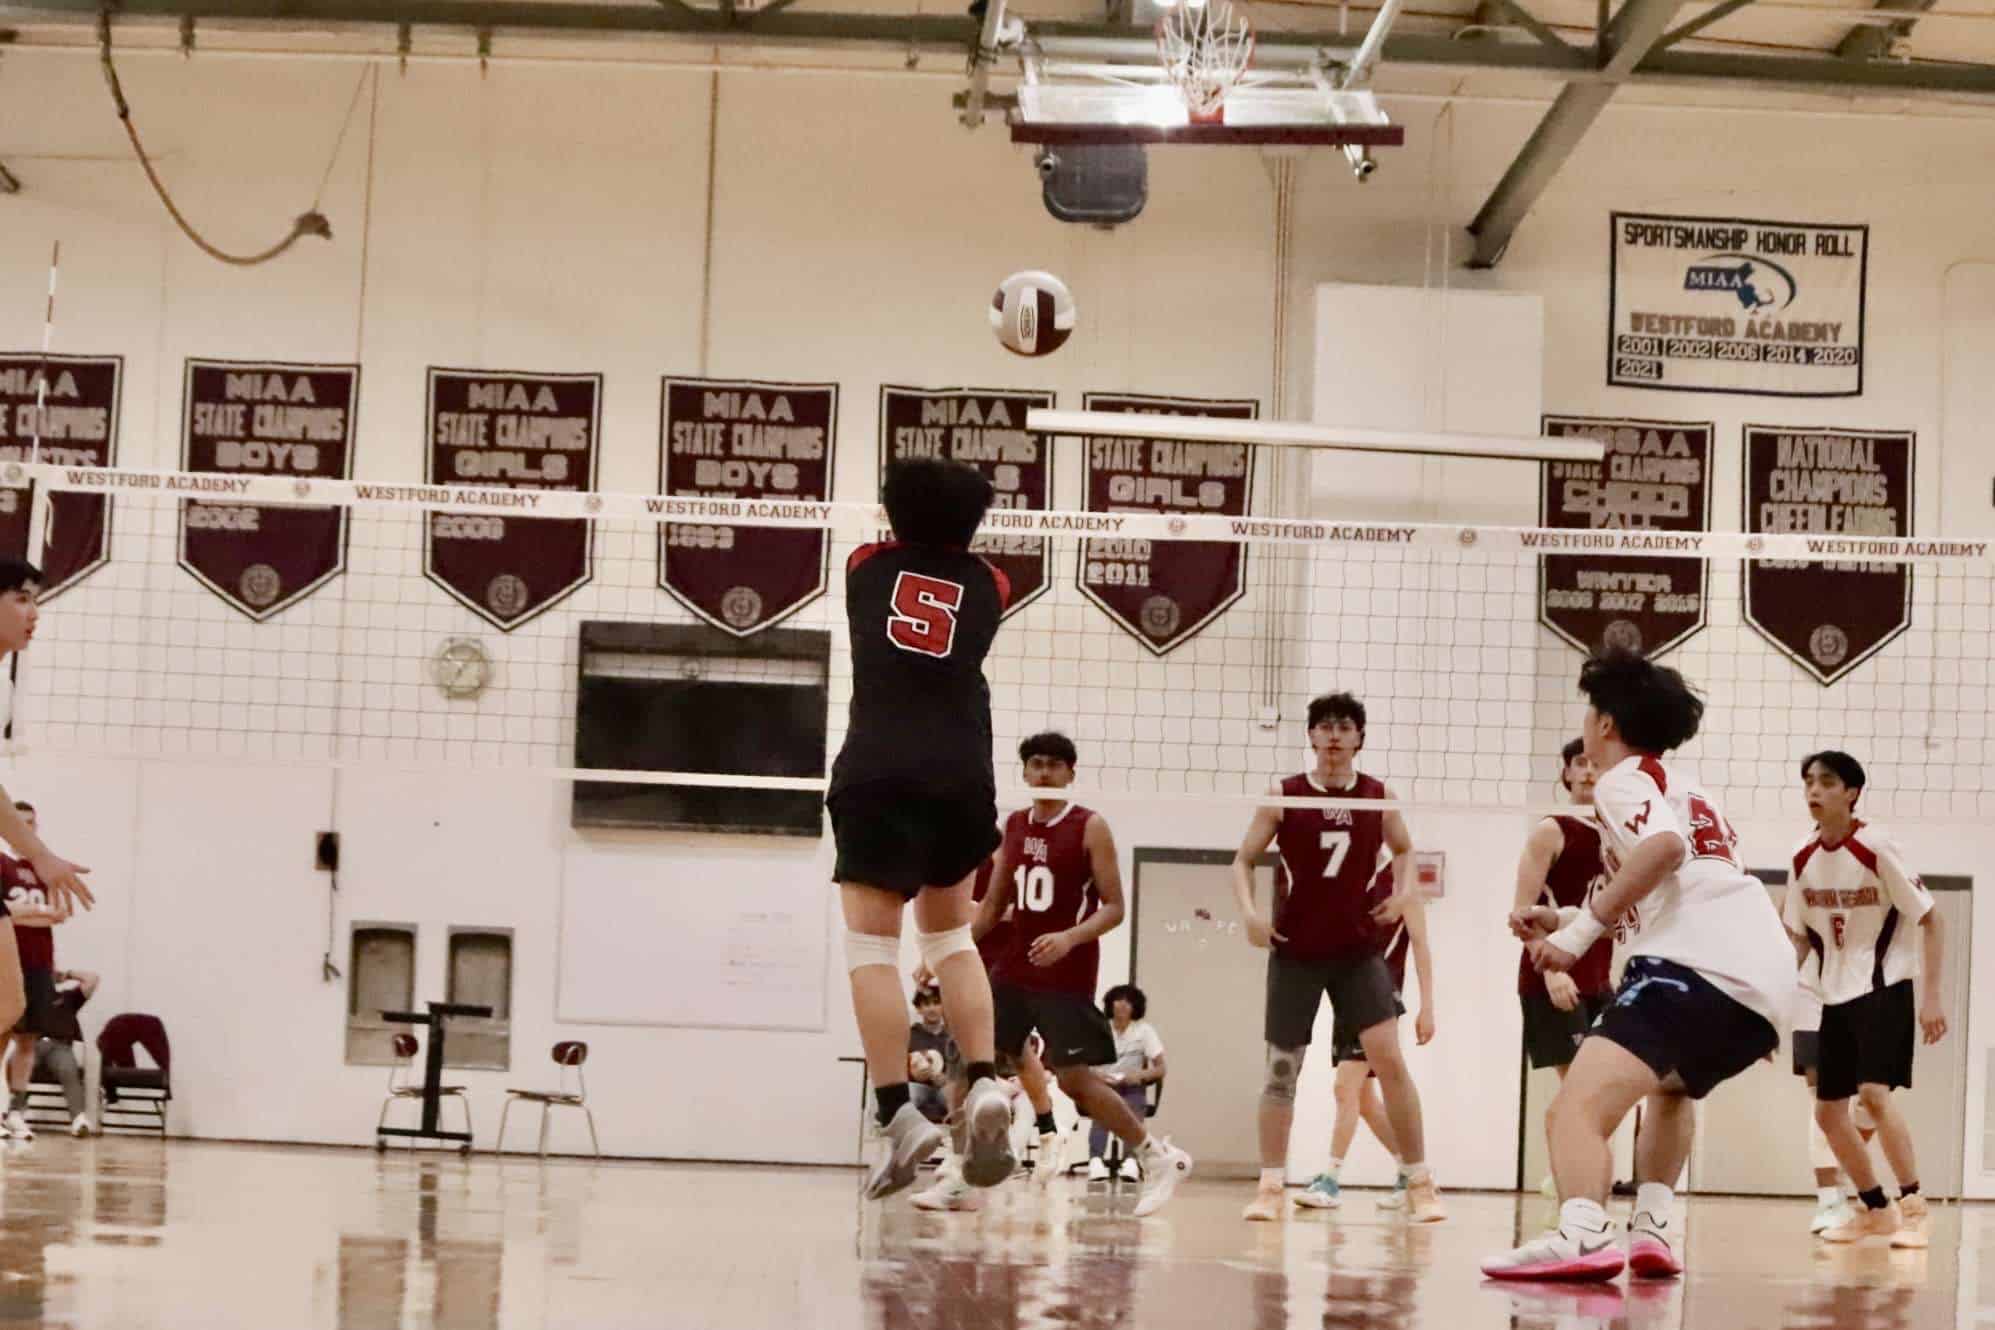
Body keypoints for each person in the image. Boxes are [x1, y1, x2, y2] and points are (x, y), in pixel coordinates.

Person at [1484, 648, 1797, 1283]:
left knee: (1572, 1110)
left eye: (1589, 710)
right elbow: (1664, 884)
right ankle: (1651, 1229)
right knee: (1672, 1090)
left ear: (1604, 723)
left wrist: (1575, 941)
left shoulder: (1620, 780)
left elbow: (1664, 850)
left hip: (1692, 967)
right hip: (1759, 985)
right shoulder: (1689, 789)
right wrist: (1565, 917)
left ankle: (1581, 1233)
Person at [826, 460, 1014, 1199]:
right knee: (951, 939)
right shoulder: (993, 584)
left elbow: (889, 553)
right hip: (963, 772)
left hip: (880, 768)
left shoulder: (864, 566)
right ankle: (987, 1080)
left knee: (872, 948)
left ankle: (896, 1114)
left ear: (893, 512)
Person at [919, 733, 1190, 1217]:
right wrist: (943, 952)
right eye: (1036, 764)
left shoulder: (1090, 826)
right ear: (1025, 772)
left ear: (1070, 773)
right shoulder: (1015, 826)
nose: (1044, 773)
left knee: (1075, 1083)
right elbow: (993, 906)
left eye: (1054, 765)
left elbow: (1115, 907)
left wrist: (1069, 937)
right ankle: (959, 1173)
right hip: (1013, 969)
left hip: (1067, 973)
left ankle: (1157, 1157)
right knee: (966, 1064)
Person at [1232, 692, 1444, 1224]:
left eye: (1343, 727)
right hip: (1296, 951)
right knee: (1281, 1071)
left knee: (1390, 1063)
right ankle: (1270, 1188)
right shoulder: (1284, 794)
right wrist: (1250, 914)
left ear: (1358, 738)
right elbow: (1242, 860)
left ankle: (1421, 1184)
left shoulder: (1378, 796)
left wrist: (1404, 893)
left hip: (1357, 953)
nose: (1333, 735)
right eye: (1324, 726)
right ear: (1310, 736)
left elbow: (1406, 850)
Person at [1783, 751, 1946, 1247]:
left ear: (1851, 793)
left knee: (1873, 1094)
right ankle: (1875, 1209)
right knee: (1828, 1113)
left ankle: (1914, 1209)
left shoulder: (1875, 846)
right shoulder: (1802, 857)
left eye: (1827, 782)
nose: (1814, 790)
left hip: (1883, 988)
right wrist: (1768, 1002)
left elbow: (1932, 918)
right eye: (1809, 782)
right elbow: (1798, 938)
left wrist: (1932, 998)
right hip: (1834, 995)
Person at [1295, 861, 1435, 1212]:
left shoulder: (1402, 882)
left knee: (1345, 1088)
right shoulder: (1349, 876)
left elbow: (1420, 945)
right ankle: (1410, 1174)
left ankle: (1330, 1180)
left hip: (1379, 998)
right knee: (1366, 1102)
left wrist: (1427, 1007)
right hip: (1346, 998)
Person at [1509, 739, 1613, 1197]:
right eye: (1580, 763)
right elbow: (1521, 915)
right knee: (1580, 1091)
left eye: (1596, 764)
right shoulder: (1552, 830)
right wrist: (1551, 971)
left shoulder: (1621, 835)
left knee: (1603, 1093)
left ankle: (1564, 1177)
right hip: (1551, 977)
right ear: (1567, 773)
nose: (1589, 771)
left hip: (1599, 978)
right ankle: (1570, 1189)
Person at [0, 560, 94, 1053]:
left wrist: (39, 854)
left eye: (36, 600)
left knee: (8, 1005)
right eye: (21, 599)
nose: (34, 613)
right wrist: (37, 853)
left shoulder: (3, 685)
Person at [3, 800, 72, 1140]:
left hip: (39, 964)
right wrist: (35, 914)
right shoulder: (2, 863)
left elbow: (59, 914)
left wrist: (26, 913)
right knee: (3, 1031)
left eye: (31, 823)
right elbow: (6, 914)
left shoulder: (44, 868)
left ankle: (15, 1110)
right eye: (20, 822)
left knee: (28, 1039)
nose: (26, 828)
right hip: (8, 960)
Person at [1089, 983, 1165, 1180]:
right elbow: (1084, 1065)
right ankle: (1096, 1161)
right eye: (1118, 1000)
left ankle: (1130, 1161)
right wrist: (1097, 1075)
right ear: (1110, 1004)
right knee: (1103, 1107)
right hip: (1103, 1085)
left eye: (1128, 1002)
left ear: (1135, 1007)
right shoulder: (1099, 1029)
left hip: (1132, 1086)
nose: (1122, 1005)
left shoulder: (1144, 1031)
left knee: (1132, 1107)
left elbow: (1160, 1068)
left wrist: (1140, 1075)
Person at [36, 969, 97, 1136]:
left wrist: (68, 975)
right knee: (13, 1067)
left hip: (60, 1046)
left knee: (68, 1069)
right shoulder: (28, 997)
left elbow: (92, 979)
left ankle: (78, 1120)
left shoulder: (68, 997)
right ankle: (12, 1115)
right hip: (31, 1045)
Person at [906, 987, 952, 1123]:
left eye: (936, 1002)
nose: (932, 1009)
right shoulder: (909, 1035)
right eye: (926, 1004)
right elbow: (896, 1068)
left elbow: (962, 1071)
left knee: (957, 1096)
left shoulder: (953, 1037)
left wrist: (948, 1080)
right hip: (917, 1087)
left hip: (945, 1090)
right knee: (907, 1095)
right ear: (918, 1009)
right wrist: (911, 1074)